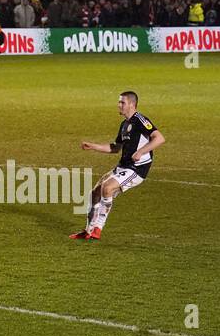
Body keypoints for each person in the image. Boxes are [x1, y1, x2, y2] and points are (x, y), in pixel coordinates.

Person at [70, 91, 166, 241]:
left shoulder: (140, 120)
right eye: (119, 102)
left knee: (107, 188)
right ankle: (88, 230)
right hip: (123, 166)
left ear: (132, 105)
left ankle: (98, 228)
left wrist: (141, 151)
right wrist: (93, 146)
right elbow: (115, 148)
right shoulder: (124, 124)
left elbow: (159, 138)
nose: (119, 105)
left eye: (122, 102)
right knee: (94, 193)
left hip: (137, 169)